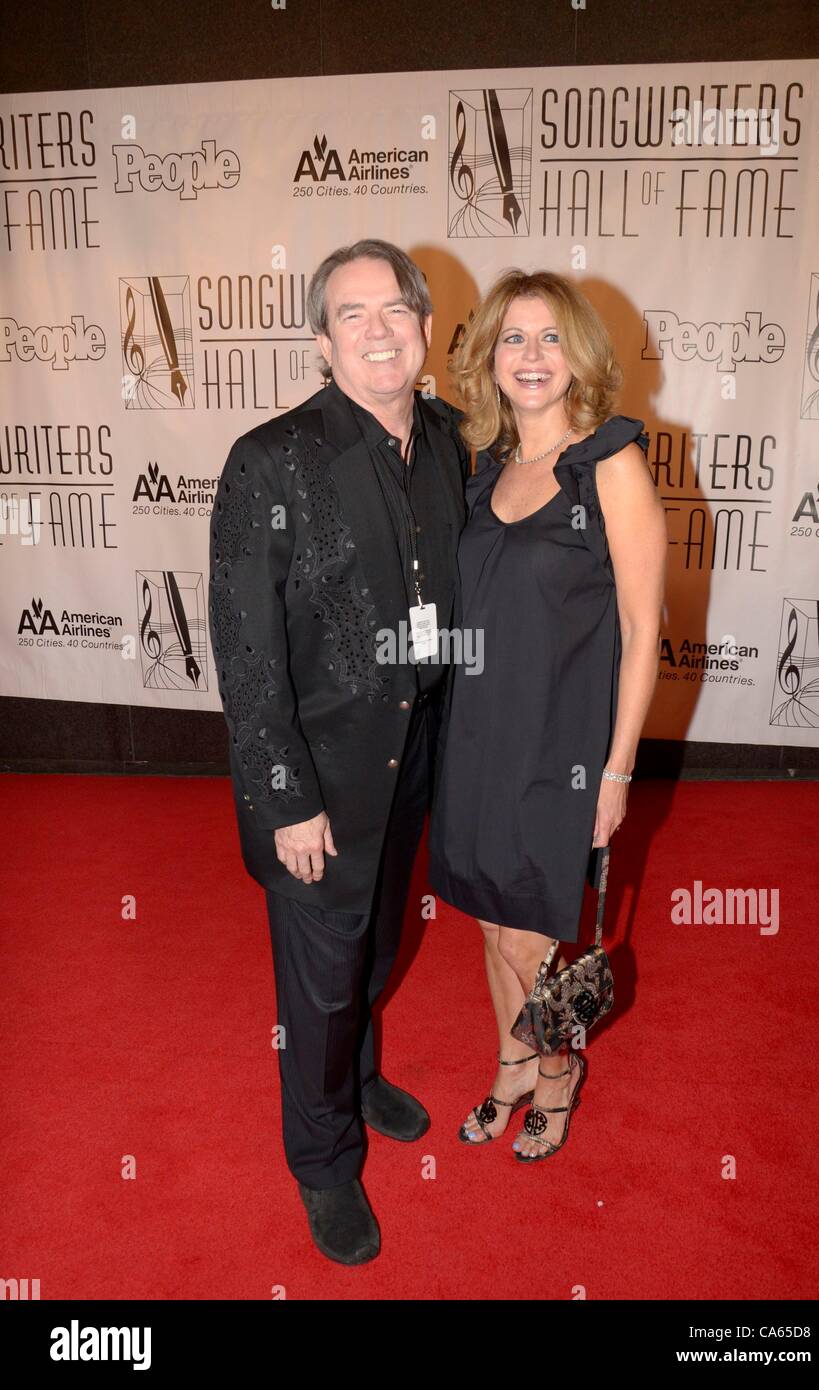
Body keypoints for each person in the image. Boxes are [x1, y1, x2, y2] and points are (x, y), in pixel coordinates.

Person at [208, 239, 468, 1263]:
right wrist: (285, 798)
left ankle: (358, 1078)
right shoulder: (271, 459)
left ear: (423, 325)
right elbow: (244, 649)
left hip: (417, 763)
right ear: (323, 340)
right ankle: (322, 1160)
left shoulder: (449, 441)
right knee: (318, 988)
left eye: (394, 309)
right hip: (316, 782)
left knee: (375, 951)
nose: (377, 330)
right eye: (351, 314)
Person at [427, 270, 667, 1162]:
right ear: (488, 356)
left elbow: (643, 630)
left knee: (531, 936)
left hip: (558, 748)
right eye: (513, 338)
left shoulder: (608, 462)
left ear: (581, 356)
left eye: (550, 338)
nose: (531, 356)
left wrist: (615, 771)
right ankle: (511, 1063)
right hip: (475, 737)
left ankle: (556, 1076)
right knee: (490, 922)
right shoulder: (483, 467)